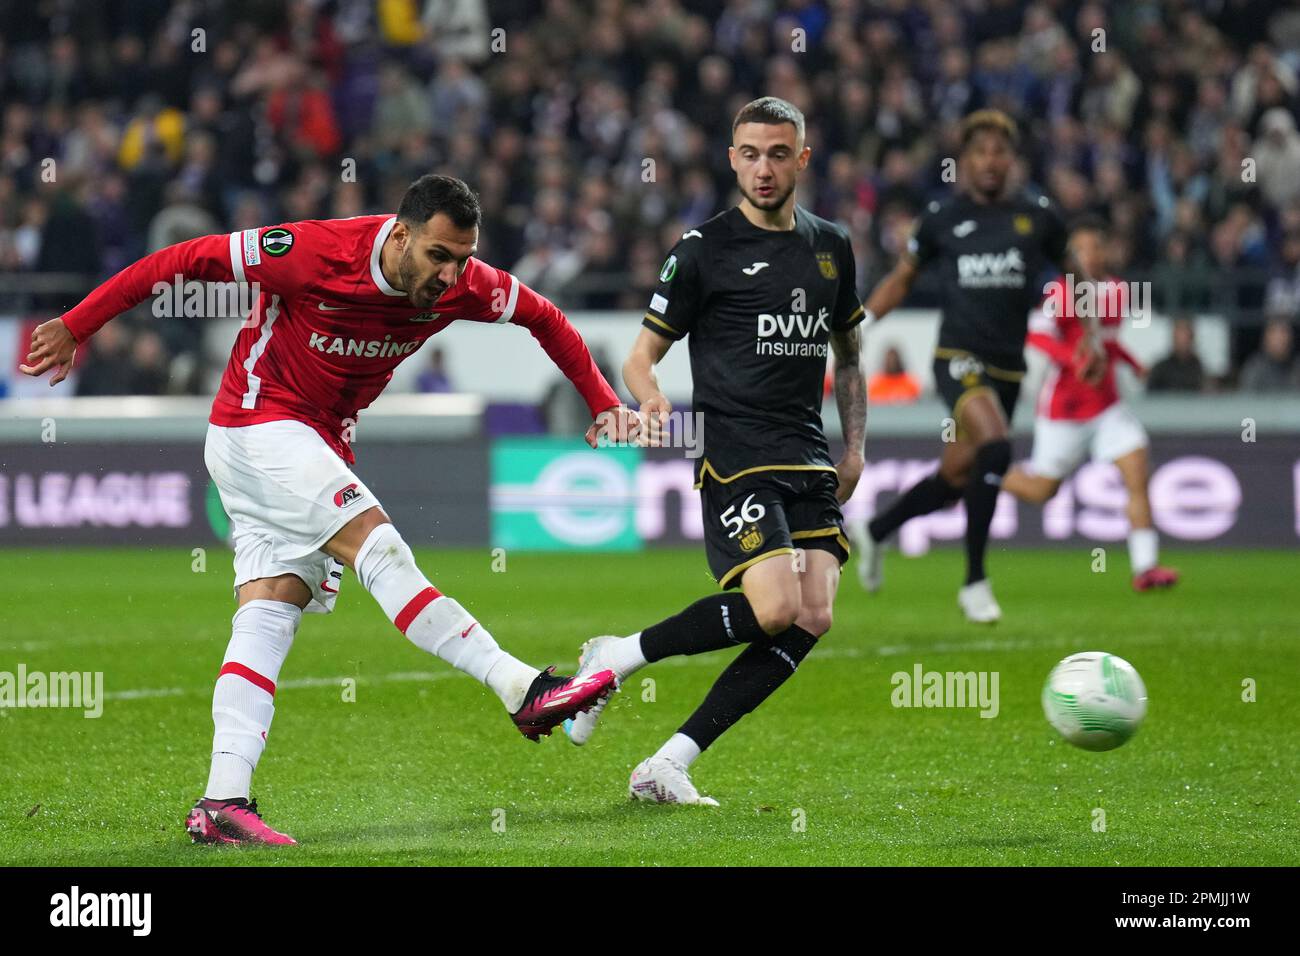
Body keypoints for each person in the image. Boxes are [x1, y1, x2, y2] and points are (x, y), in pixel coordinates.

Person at [20, 174, 636, 845]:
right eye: (439, 256)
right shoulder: (312, 252)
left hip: (314, 442)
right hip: (259, 423)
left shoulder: (467, 286)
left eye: (462, 258)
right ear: (400, 235)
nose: (451, 274)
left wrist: (602, 399)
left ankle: (222, 802)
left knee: (271, 610)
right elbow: (181, 260)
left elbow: (544, 317)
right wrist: (77, 324)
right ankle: (521, 687)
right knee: (381, 548)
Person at [563, 97, 867, 806]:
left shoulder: (832, 246)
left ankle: (667, 762)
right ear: (733, 158)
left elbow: (849, 358)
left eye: (778, 154)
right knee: (772, 609)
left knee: (814, 615)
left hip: (809, 456)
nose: (764, 168)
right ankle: (619, 656)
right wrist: (654, 399)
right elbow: (641, 357)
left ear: (802, 159)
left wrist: (853, 447)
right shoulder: (702, 250)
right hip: (736, 454)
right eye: (751, 154)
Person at [852, 109, 1104, 623]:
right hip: (957, 357)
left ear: (1011, 161)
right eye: (980, 153)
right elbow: (902, 278)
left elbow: (1076, 271)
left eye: (999, 153)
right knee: (995, 445)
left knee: (956, 476)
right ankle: (974, 581)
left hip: (1010, 367)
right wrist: (860, 323)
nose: (990, 162)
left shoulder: (1038, 217)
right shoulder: (943, 219)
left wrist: (1093, 336)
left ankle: (875, 530)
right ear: (964, 162)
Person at [1001, 216, 1179, 592]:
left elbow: (1108, 343)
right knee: (1041, 490)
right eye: (1081, 250)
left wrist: (1131, 362)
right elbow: (1037, 338)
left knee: (1137, 471)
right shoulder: (1060, 292)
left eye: (1095, 247)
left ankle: (1145, 567)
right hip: (1064, 410)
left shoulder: (1117, 291)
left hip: (1107, 405)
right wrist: (1074, 359)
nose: (1089, 255)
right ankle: (986, 475)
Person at [1146, 316, 1206, 391]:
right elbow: (1149, 396)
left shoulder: (1198, 367)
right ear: (1173, 338)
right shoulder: (1160, 369)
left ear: (1191, 338)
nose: (1182, 341)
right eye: (1179, 336)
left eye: (1185, 336)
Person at [1238, 316, 1298, 391]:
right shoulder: (1254, 368)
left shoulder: (1297, 367)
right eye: (1275, 334)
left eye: (1284, 333)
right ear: (1266, 338)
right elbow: (1247, 398)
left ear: (1291, 338)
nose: (1280, 339)